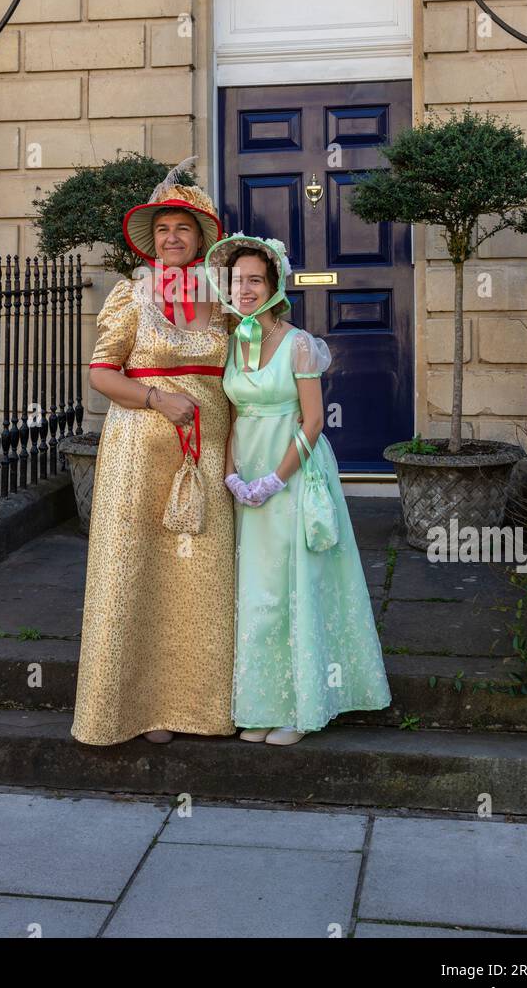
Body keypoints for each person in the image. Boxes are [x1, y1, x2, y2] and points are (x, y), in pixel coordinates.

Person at [71, 161, 236, 746]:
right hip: (139, 457)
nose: (172, 239)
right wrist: (156, 398)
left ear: (201, 240)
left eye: (183, 230)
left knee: (203, 578)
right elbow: (101, 374)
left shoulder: (222, 298)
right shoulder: (130, 295)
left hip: (210, 454)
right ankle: (141, 709)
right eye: (163, 229)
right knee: (139, 575)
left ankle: (203, 705)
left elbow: (244, 371)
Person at [204, 232, 392, 745]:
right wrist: (231, 475)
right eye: (237, 280)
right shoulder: (232, 344)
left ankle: (302, 705)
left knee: (294, 586)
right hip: (246, 477)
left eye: (254, 280)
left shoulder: (300, 344)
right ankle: (262, 704)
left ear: (274, 286)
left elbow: (312, 423)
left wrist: (273, 479)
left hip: (293, 472)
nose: (243, 289)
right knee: (258, 592)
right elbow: (229, 416)